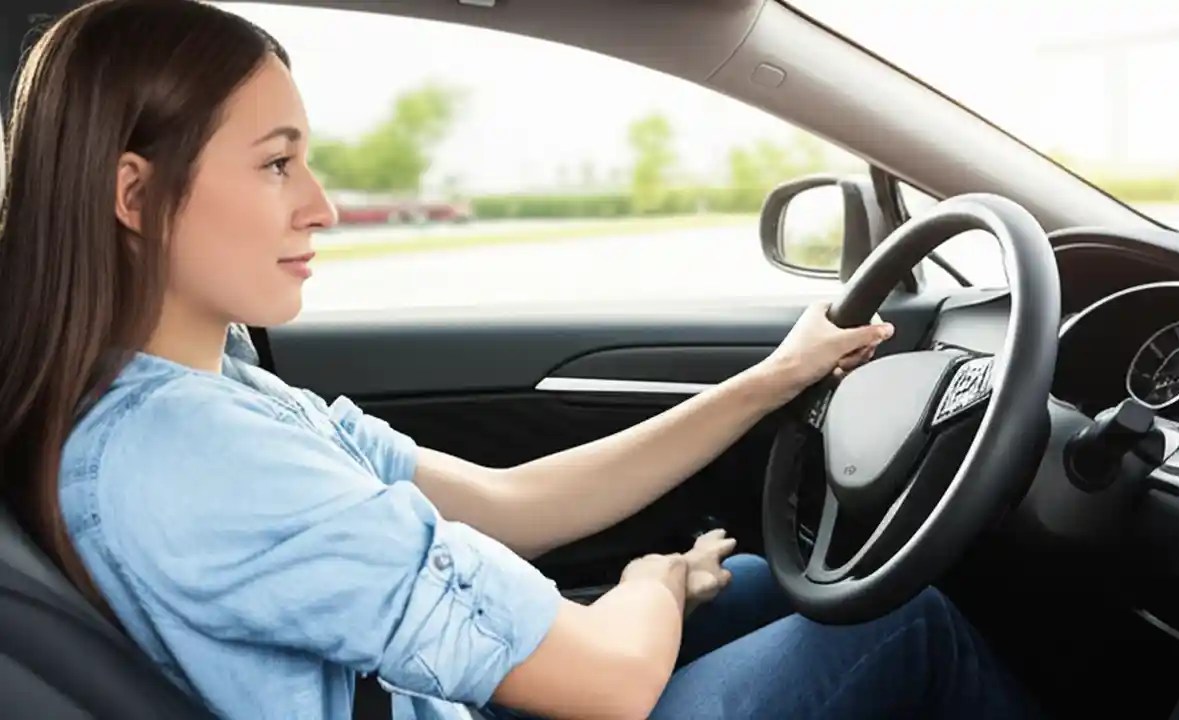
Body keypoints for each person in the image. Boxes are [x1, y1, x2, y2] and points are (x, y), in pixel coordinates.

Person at [0, 1, 1043, 718]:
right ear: (133, 196)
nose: (319, 205)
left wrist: (770, 379)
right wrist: (653, 585)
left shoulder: (196, 390)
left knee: (768, 584)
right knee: (903, 623)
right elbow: (610, 686)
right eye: (276, 164)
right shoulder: (196, 460)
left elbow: (507, 504)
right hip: (540, 690)